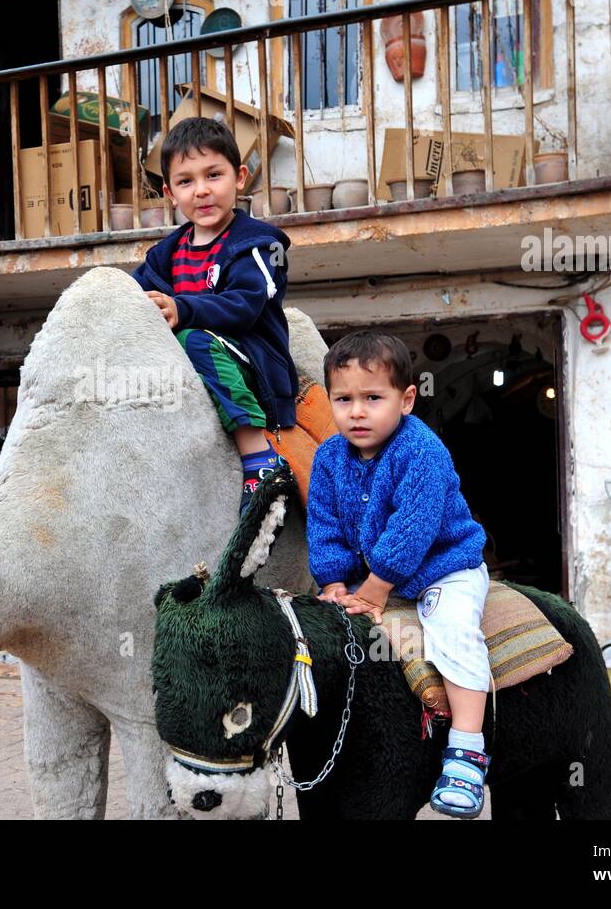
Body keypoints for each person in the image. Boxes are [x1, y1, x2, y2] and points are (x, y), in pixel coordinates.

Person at [305, 330, 493, 818]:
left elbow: (413, 528)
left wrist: (373, 590)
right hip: (374, 575)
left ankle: (467, 751)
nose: (357, 412)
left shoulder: (422, 452)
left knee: (452, 631)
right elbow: (324, 525)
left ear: (406, 399)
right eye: (343, 399)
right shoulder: (328, 457)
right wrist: (332, 583)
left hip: (445, 568)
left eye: (373, 398)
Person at [129, 116, 298, 514]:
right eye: (186, 182)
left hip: (252, 366)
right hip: (199, 370)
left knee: (192, 338)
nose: (201, 191)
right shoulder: (166, 254)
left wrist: (181, 309)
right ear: (170, 193)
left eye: (213, 175)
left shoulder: (254, 244)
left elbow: (244, 306)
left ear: (239, 178)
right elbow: (137, 296)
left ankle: (259, 458)